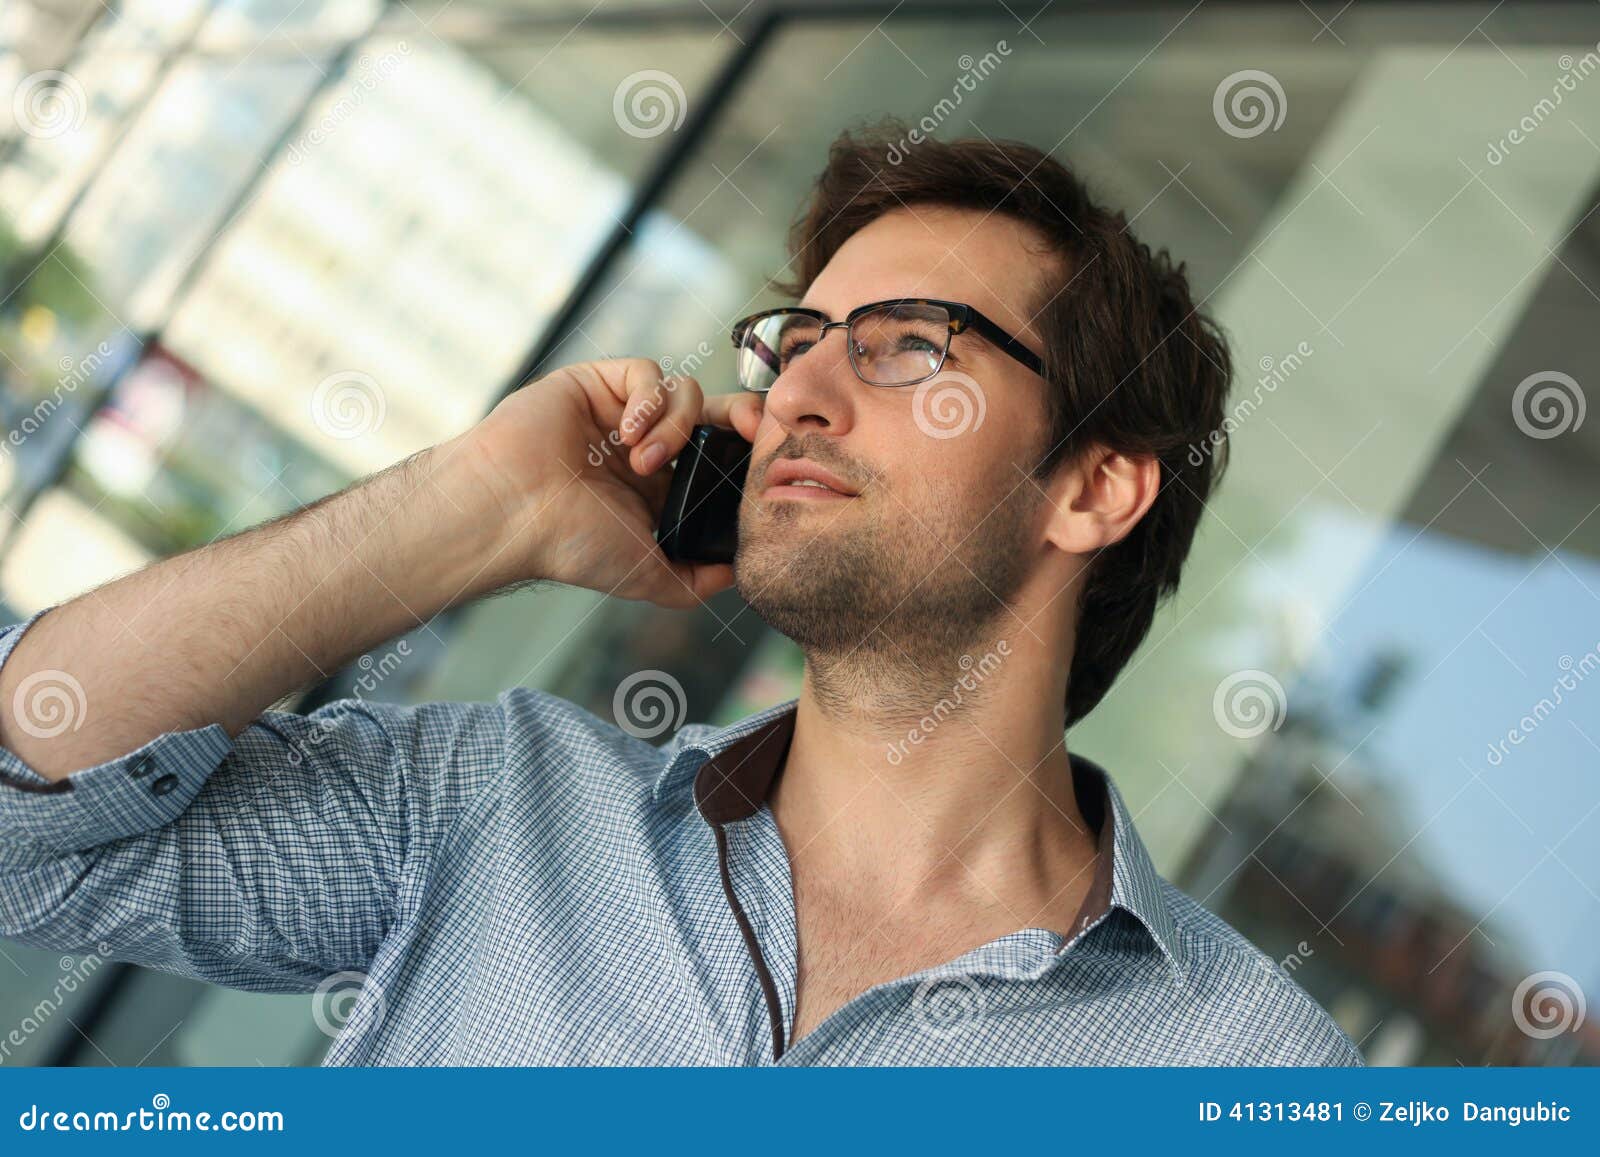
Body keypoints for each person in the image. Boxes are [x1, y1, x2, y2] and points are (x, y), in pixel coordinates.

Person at [0, 121, 1362, 1066]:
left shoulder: (1245, 1068)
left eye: (906, 347)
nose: (798, 394)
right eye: (797, 341)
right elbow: (27, 824)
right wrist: (481, 506)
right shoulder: (493, 805)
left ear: (1094, 488)